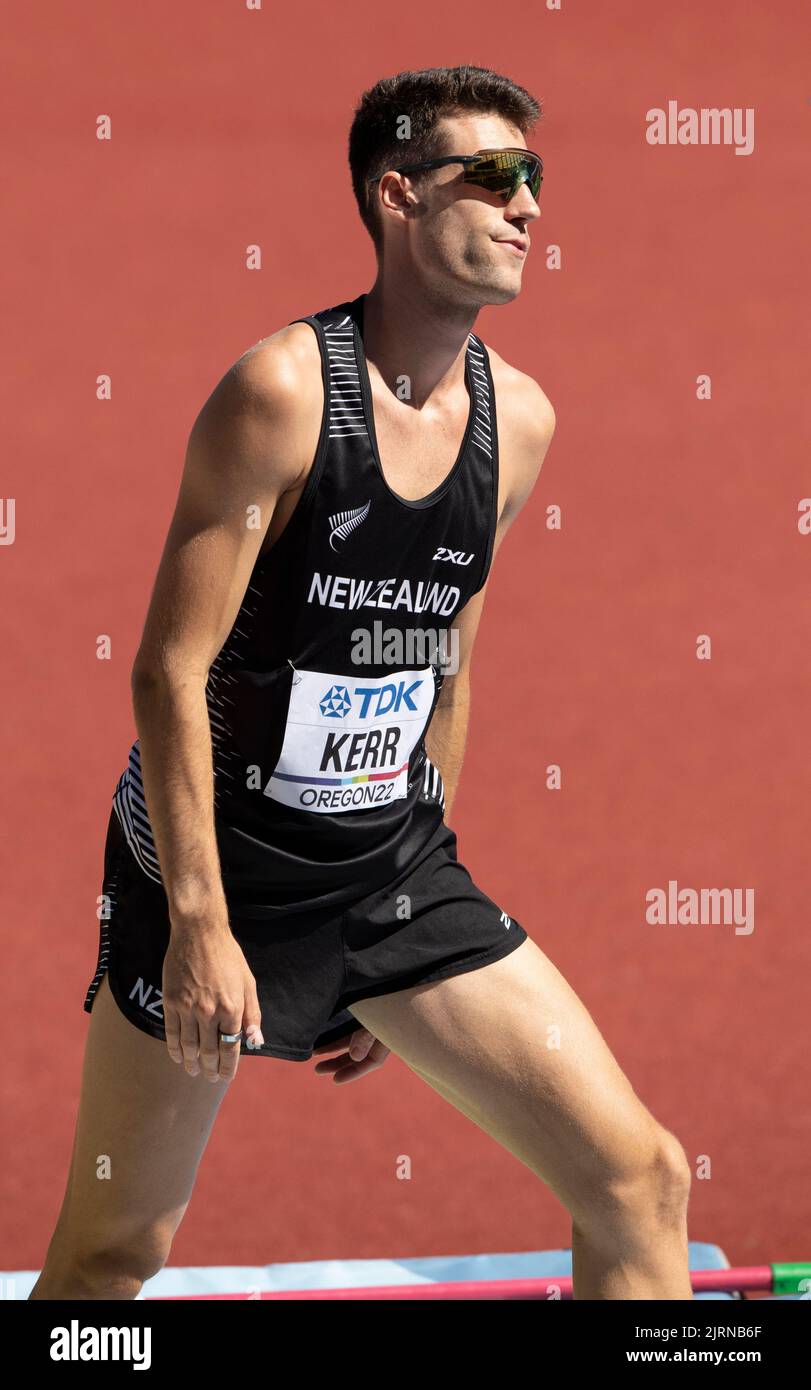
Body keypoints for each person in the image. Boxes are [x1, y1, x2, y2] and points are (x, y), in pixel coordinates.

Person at [31, 65, 692, 1301]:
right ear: (396, 192)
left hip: (387, 869)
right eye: (492, 176)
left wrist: (406, 938)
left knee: (641, 1178)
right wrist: (200, 928)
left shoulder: (522, 422)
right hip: (215, 871)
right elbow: (167, 671)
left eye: (535, 179)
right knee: (116, 1252)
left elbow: (450, 660)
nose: (527, 208)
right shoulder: (283, 394)